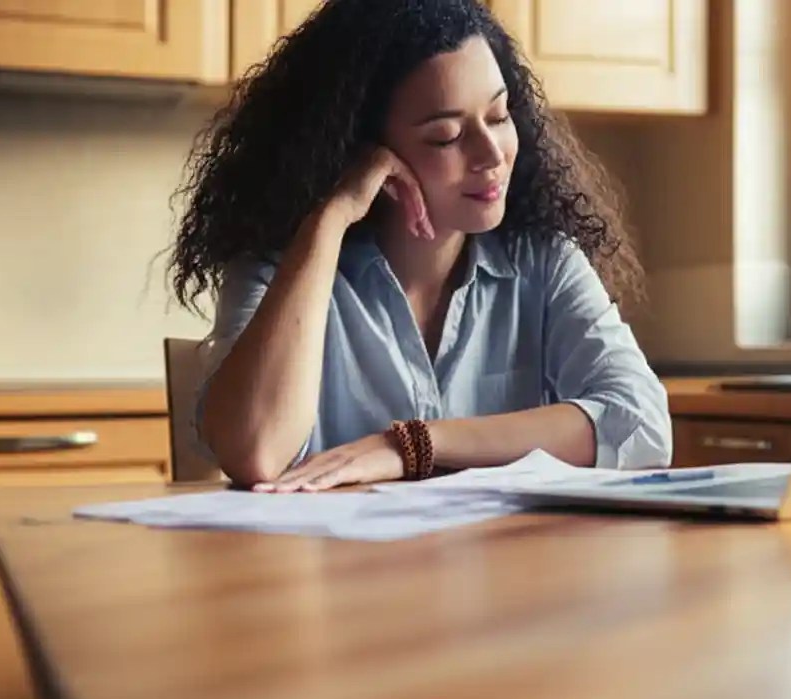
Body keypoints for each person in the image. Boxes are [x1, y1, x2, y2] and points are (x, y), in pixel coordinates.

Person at [169, 0, 670, 492]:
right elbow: (255, 450)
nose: (491, 155)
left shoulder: (543, 262)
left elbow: (641, 423)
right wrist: (331, 216)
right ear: (363, 153)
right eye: (446, 137)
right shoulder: (279, 270)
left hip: (508, 570)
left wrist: (412, 445)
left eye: (498, 116)